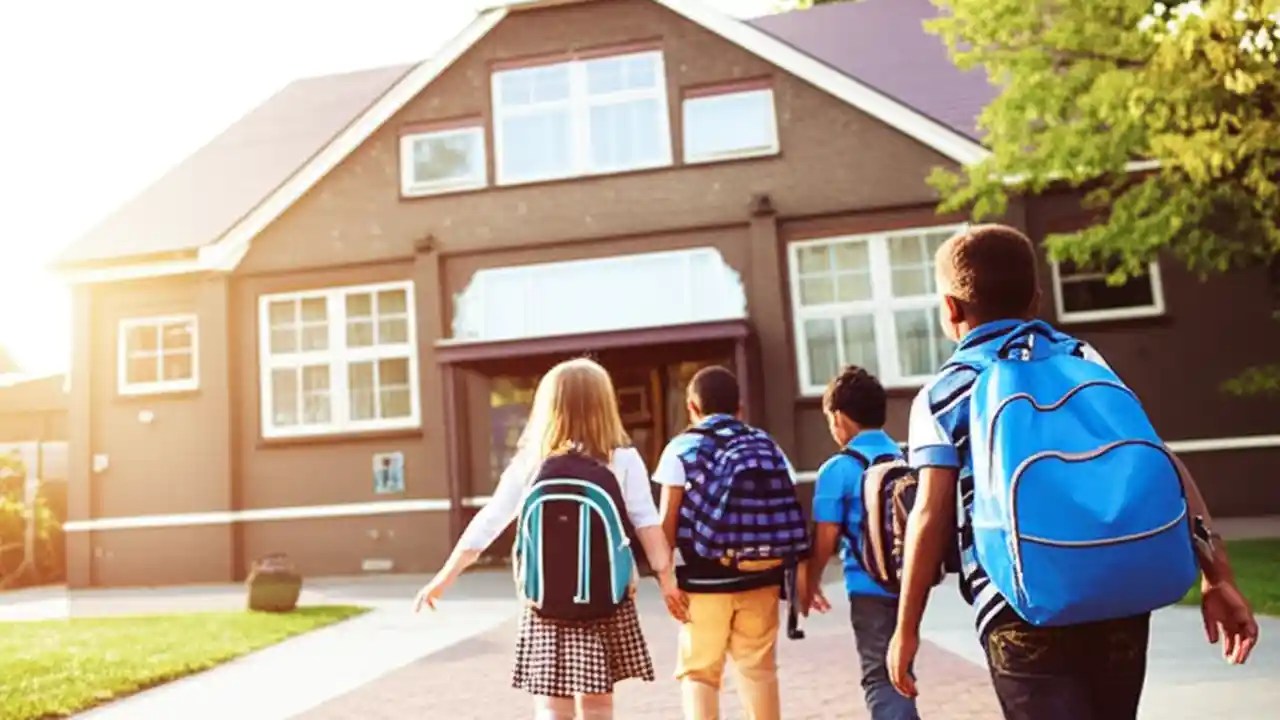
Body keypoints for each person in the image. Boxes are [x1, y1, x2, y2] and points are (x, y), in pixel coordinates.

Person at [888, 224, 1260, 720]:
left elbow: (930, 516)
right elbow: (1159, 458)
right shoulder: (1085, 360)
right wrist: (1218, 574)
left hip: (1017, 604)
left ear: (950, 308)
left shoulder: (943, 392)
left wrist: (906, 628)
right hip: (1118, 587)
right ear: (1036, 299)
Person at [414, 357, 684, 720]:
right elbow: (646, 523)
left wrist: (444, 577)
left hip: (544, 600)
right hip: (605, 598)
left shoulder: (532, 462)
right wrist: (667, 581)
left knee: (552, 706)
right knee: (598, 704)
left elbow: (490, 520)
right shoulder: (623, 458)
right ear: (605, 405)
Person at [652, 365, 809, 720]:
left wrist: (665, 578)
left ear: (692, 407)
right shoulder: (767, 445)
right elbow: (788, 509)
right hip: (762, 578)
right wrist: (800, 576)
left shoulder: (681, 448)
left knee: (700, 673)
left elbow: (667, 522)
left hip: (703, 585)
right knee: (759, 670)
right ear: (740, 408)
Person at [804, 365, 920, 720]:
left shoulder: (837, 469)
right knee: (900, 664)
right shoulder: (906, 458)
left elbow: (826, 538)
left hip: (868, 587)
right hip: (911, 583)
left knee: (880, 674)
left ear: (839, 418)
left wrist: (810, 581)